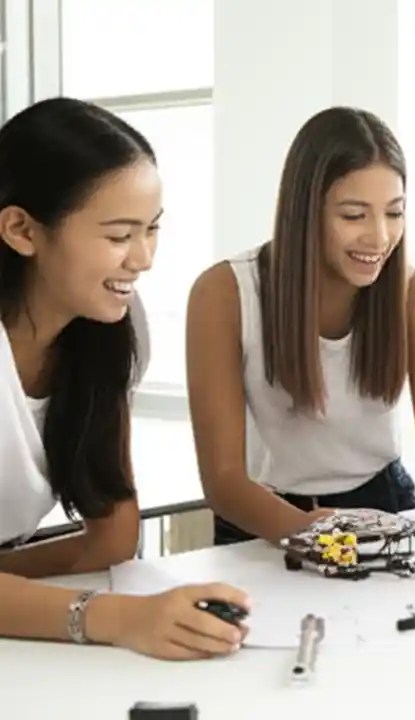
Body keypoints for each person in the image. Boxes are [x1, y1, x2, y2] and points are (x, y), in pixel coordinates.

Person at [186, 107, 415, 575]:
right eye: (354, 215)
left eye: (394, 213)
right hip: (263, 520)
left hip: (383, 508)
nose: (379, 236)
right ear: (305, 211)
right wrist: (308, 532)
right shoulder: (224, 294)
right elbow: (223, 478)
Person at [0, 97, 248, 659]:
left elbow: (112, 535)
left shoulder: (112, 329)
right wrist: (115, 617)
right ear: (21, 229)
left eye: (152, 230)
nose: (144, 258)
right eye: (118, 236)